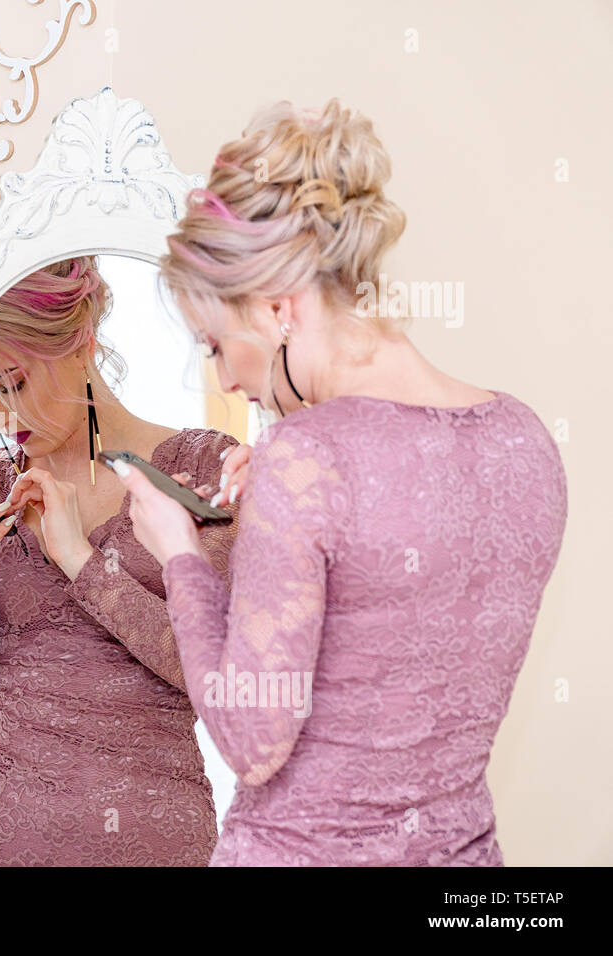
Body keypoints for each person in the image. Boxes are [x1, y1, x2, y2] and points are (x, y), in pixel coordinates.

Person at [112, 98, 568, 865]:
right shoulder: (528, 441)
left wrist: (181, 555)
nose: (225, 376)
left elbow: (251, 743)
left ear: (279, 308)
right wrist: (288, 508)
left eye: (216, 344)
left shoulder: (306, 458)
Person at [0, 255, 239, 866]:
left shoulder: (204, 473)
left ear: (81, 344)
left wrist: (79, 560)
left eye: (12, 384)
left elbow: (217, 683)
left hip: (154, 839)